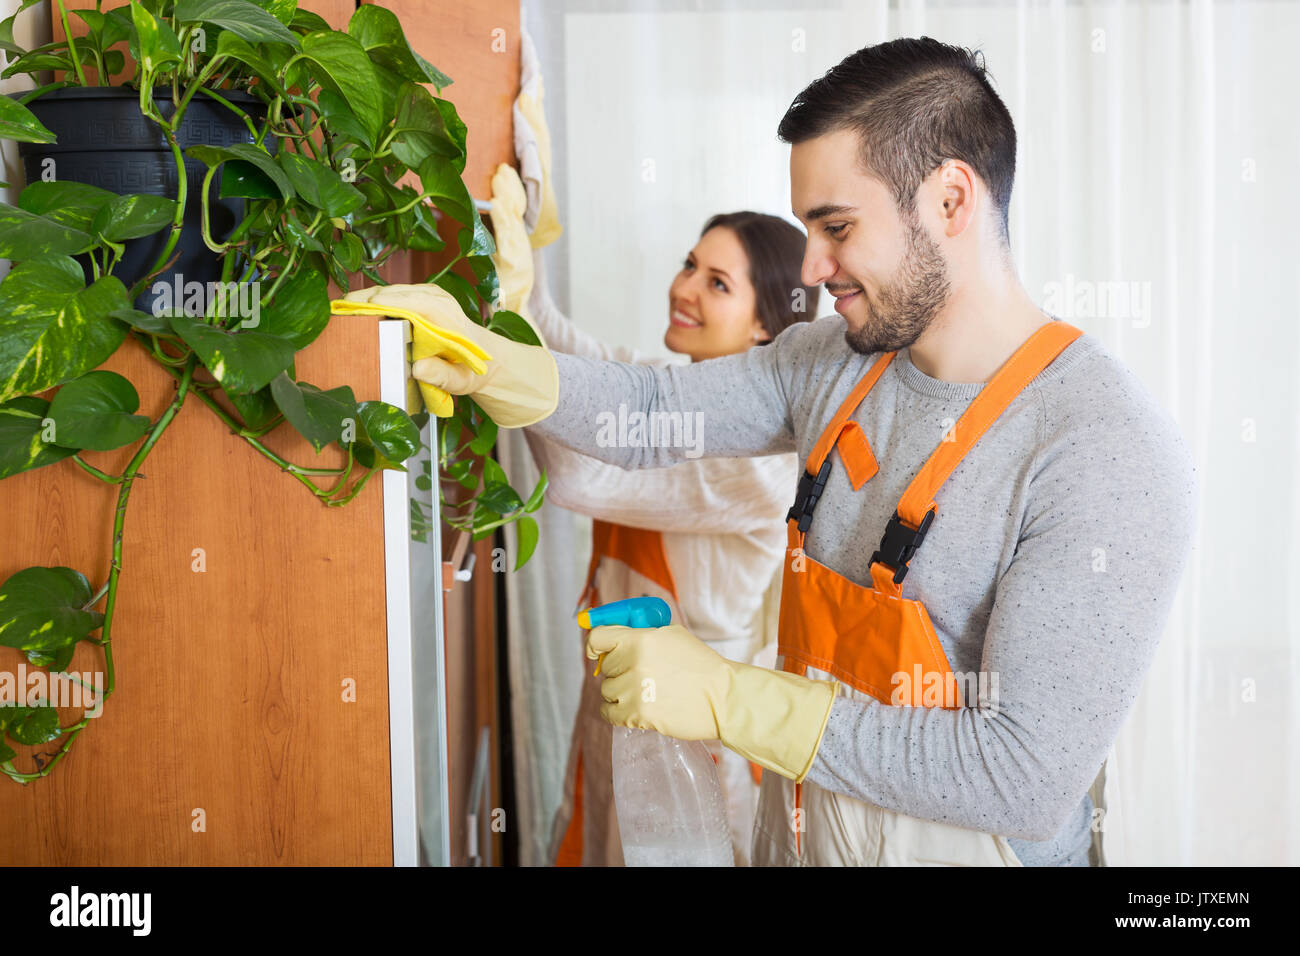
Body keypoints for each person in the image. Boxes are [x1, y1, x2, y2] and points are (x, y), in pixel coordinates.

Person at [360, 36, 1198, 867]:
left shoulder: (1104, 448)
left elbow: (1020, 775)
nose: (811, 265)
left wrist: (731, 700)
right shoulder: (833, 362)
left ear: (949, 201)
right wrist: (505, 363)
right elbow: (655, 410)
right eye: (807, 228)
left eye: (836, 226)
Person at [521, 212, 820, 866]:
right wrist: (528, 228)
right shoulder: (672, 390)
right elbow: (561, 350)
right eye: (690, 265)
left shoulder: (760, 465)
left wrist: (496, 368)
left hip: (692, 740)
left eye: (716, 284)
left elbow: (579, 473)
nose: (683, 287)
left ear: (766, 325)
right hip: (617, 705)